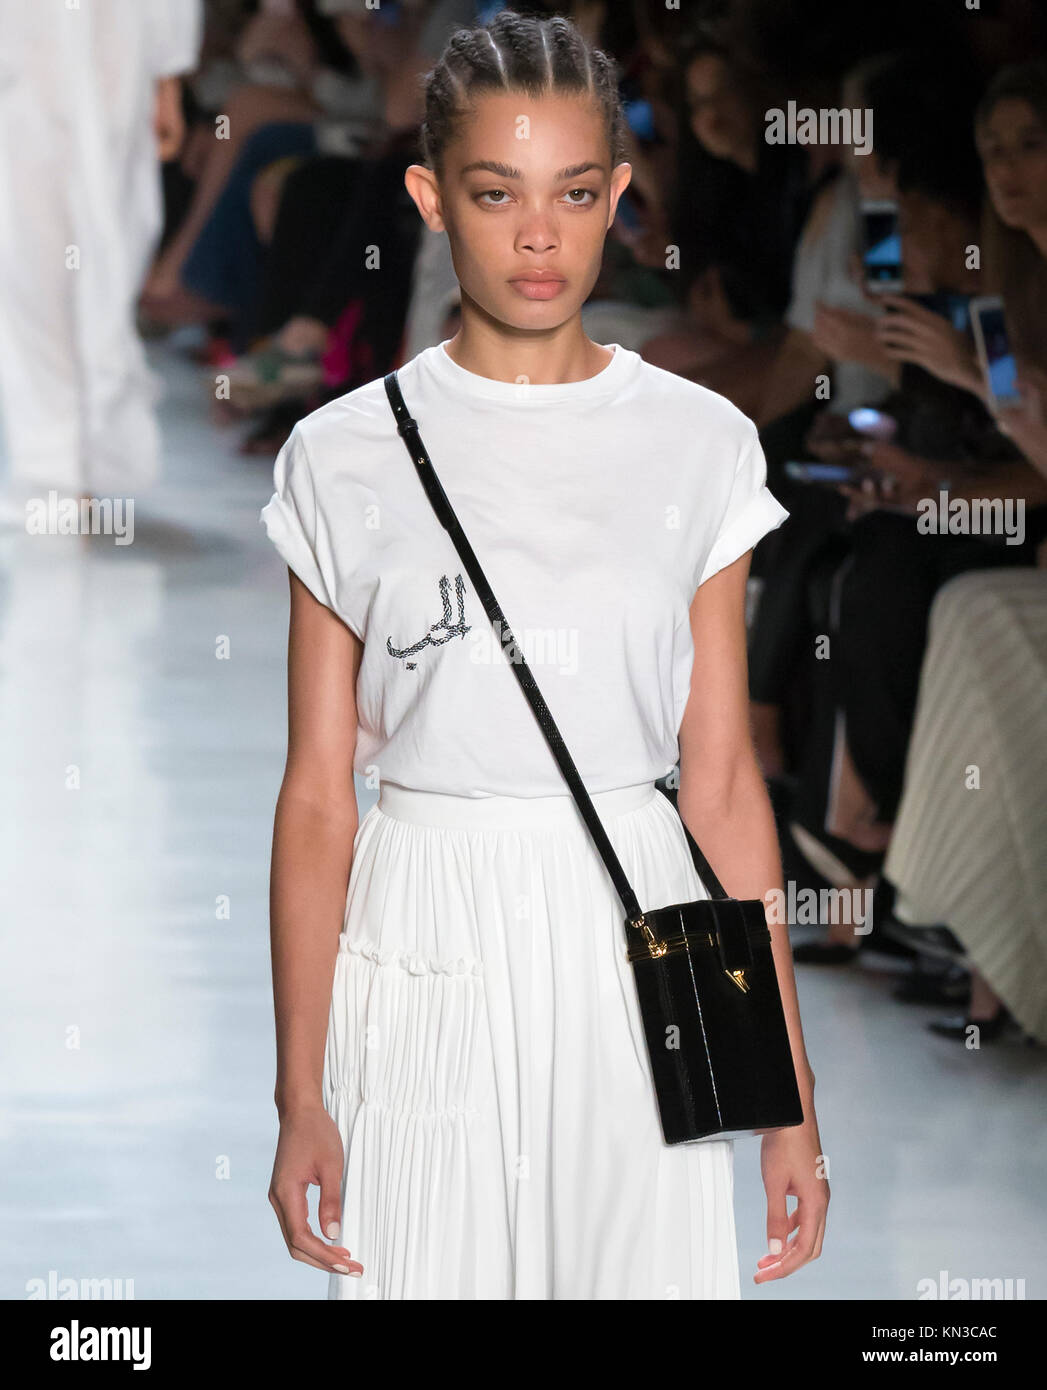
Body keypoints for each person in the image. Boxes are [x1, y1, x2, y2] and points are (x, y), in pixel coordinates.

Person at [260, 11, 826, 1300]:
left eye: (575, 195)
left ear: (618, 198)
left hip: (637, 928)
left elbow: (725, 785)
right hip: (421, 925)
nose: (537, 235)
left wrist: (788, 1100)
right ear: (429, 198)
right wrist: (298, 1093)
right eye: (495, 192)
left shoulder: (700, 444)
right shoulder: (343, 456)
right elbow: (314, 792)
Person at [0, 0, 202, 509]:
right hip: (24, 35)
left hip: (115, 33)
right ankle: (55, 468)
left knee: (110, 249)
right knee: (26, 254)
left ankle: (92, 450)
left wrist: (169, 75)